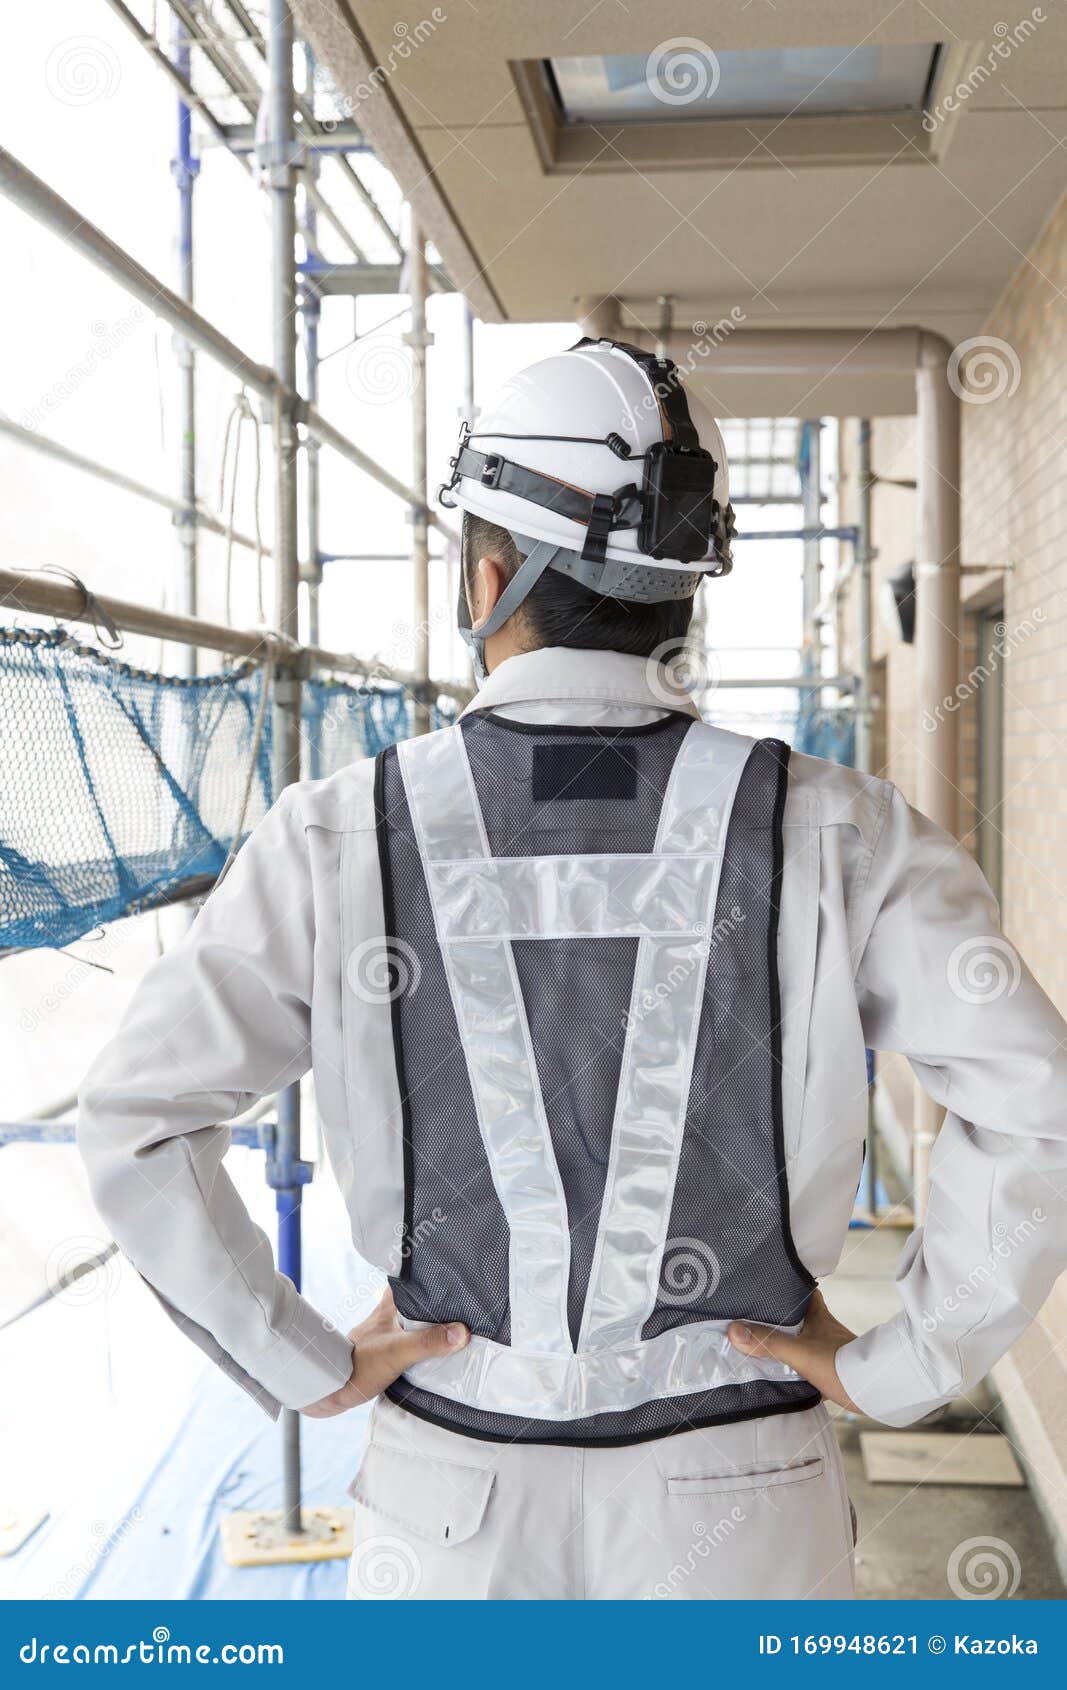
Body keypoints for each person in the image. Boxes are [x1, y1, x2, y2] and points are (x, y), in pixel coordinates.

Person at [79, 339, 1067, 1601]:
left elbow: (135, 1122)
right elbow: (1034, 1104)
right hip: (744, 1508)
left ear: (486, 576)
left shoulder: (335, 833)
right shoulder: (837, 828)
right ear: (684, 587)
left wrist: (303, 1359)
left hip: (451, 1507)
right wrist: (901, 1361)